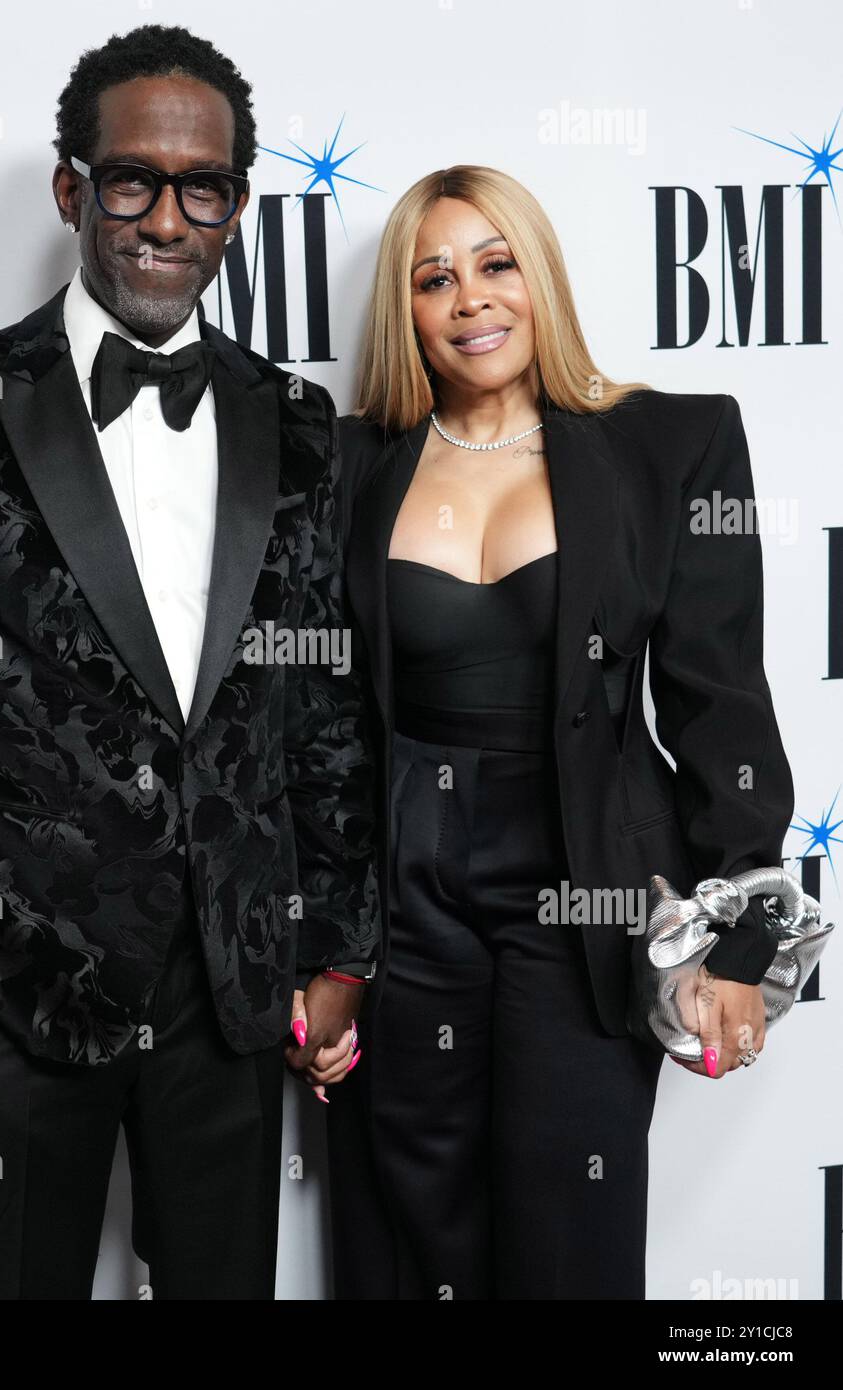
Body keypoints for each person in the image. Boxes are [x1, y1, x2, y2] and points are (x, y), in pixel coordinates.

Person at [0, 23, 378, 1301]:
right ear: (72, 187)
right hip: (14, 985)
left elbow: (321, 703)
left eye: (203, 188)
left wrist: (335, 949)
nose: (165, 220)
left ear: (236, 205)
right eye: (132, 180)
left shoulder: (295, 421)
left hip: (231, 989)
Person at [327, 165, 795, 1299]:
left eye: (495, 264)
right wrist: (319, 943)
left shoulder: (666, 446)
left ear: (538, 276)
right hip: (404, 896)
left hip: (580, 892)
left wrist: (739, 929)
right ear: (406, 309)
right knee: (408, 1229)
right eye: (433, 277)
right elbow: (320, 717)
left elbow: (715, 696)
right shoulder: (347, 465)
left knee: (566, 1233)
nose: (469, 299)